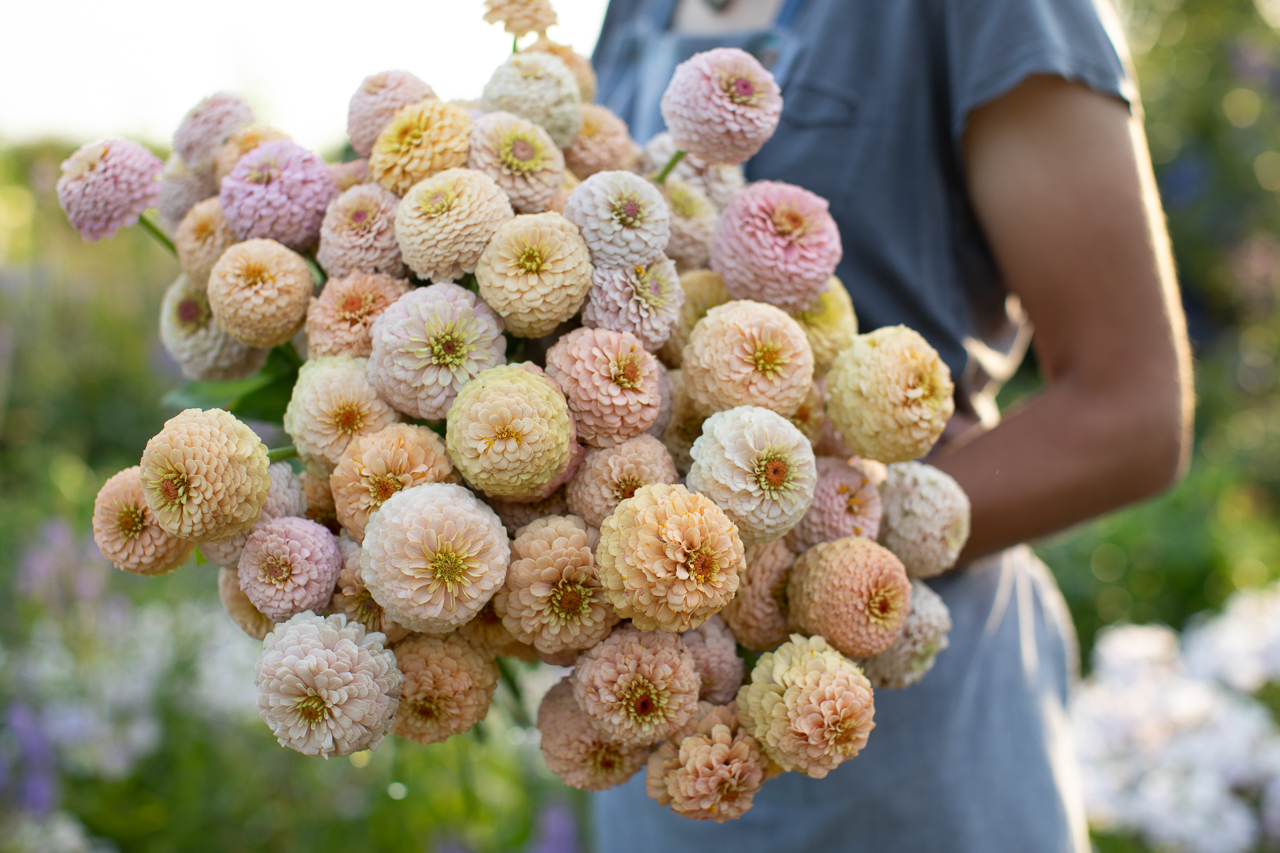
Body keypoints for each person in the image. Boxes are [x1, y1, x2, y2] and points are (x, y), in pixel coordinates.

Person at [588, 0, 1194, 851]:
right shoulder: (635, 13)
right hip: (667, 753)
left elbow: (1128, 412)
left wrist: (796, 563)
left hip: (909, 747)